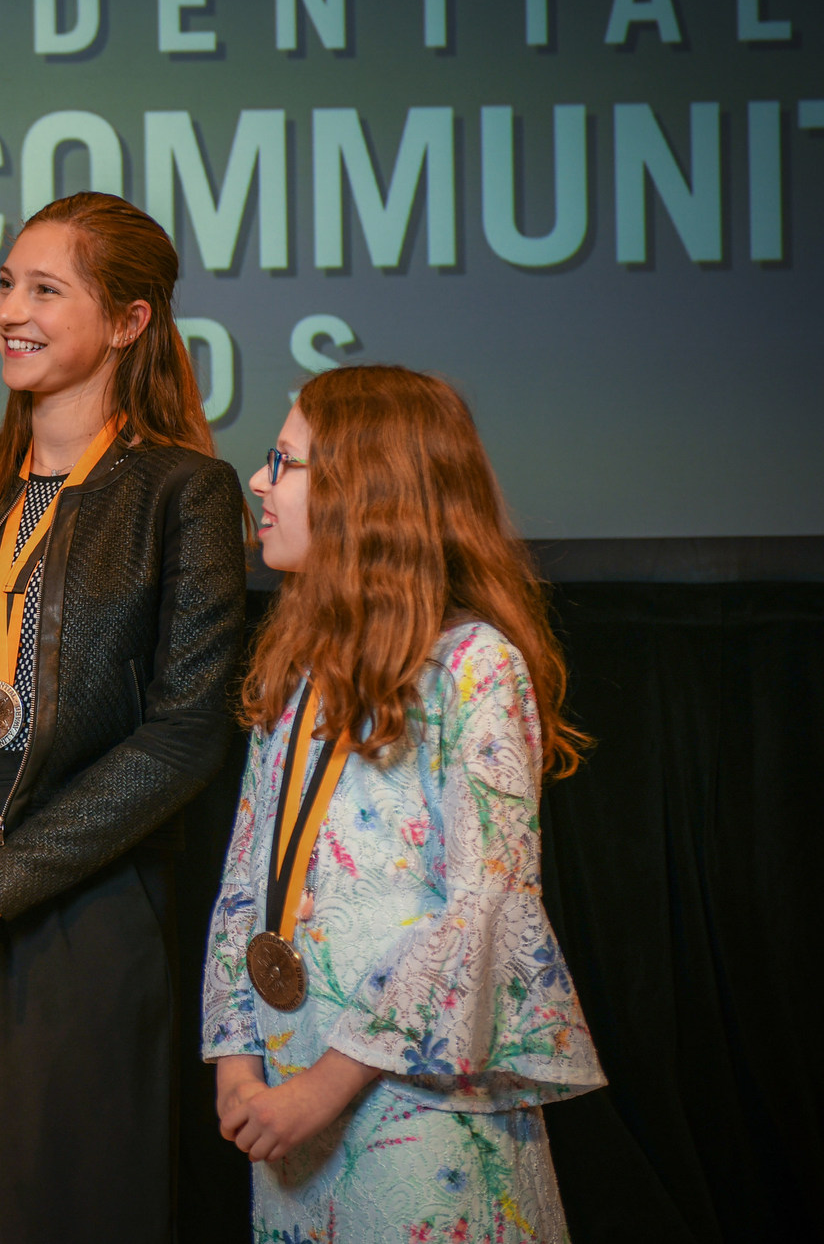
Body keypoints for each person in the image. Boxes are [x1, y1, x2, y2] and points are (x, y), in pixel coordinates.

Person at [0, 192, 250, 1243]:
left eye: (44, 289)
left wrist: (5, 884)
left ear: (127, 321)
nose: (8, 311)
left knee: (75, 1204)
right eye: (3, 284)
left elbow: (186, 732)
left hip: (82, 886)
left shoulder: (184, 492)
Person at [202, 365, 606, 1242]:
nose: (259, 481)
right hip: (289, 1091)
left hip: (412, 1106)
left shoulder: (474, 666)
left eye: (285, 461)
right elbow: (243, 880)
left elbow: (483, 905)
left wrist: (326, 1086)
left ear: (367, 493)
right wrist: (236, 1061)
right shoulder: (297, 671)